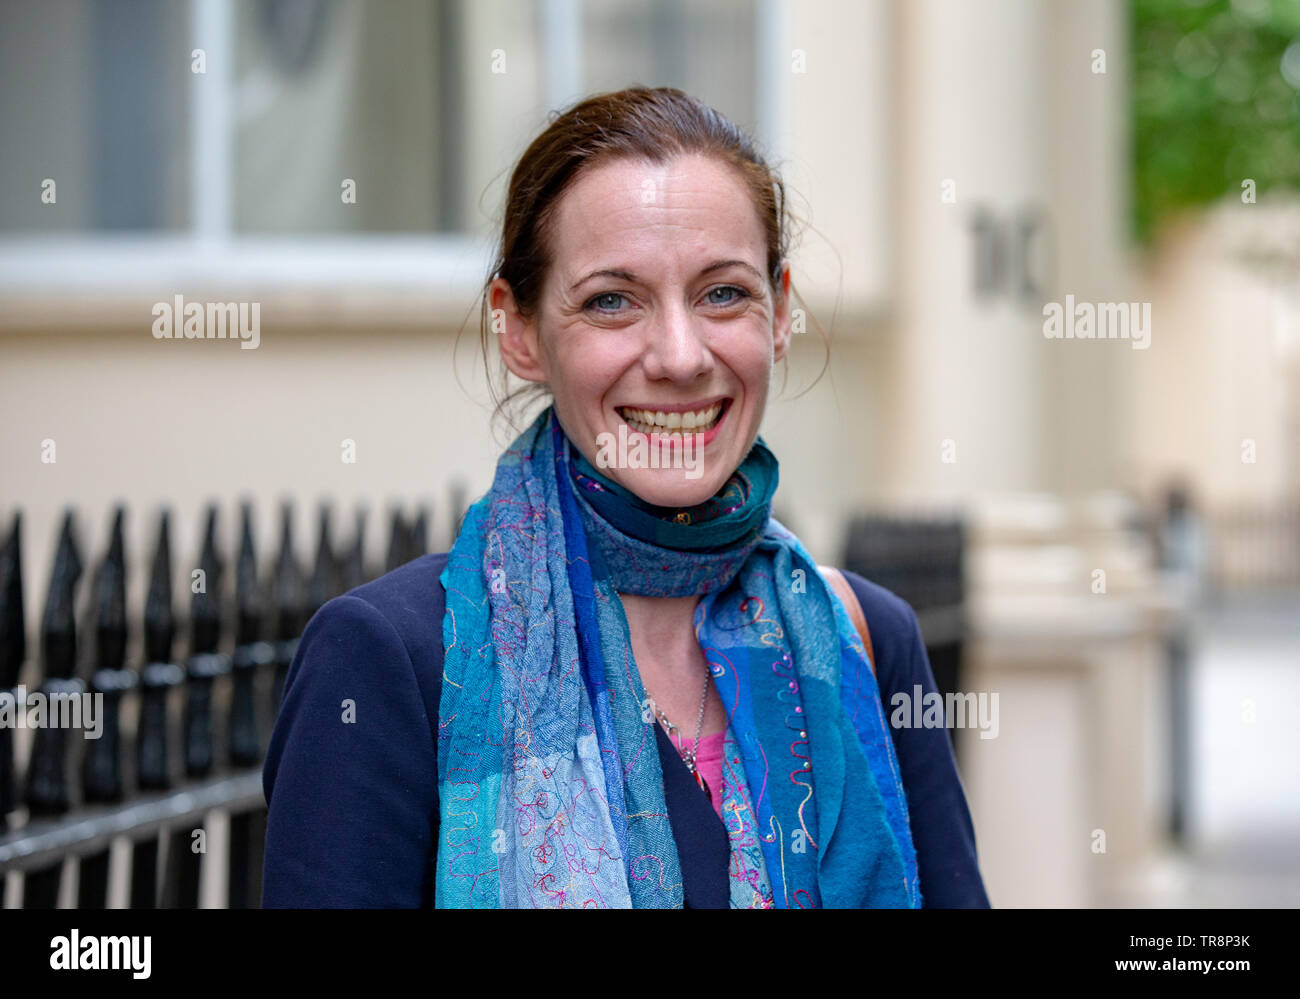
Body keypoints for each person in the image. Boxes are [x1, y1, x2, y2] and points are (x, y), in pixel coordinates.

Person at [261, 86, 990, 909]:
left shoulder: (868, 638)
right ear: (521, 329)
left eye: (724, 293)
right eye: (612, 300)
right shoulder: (390, 660)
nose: (680, 355)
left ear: (781, 312)